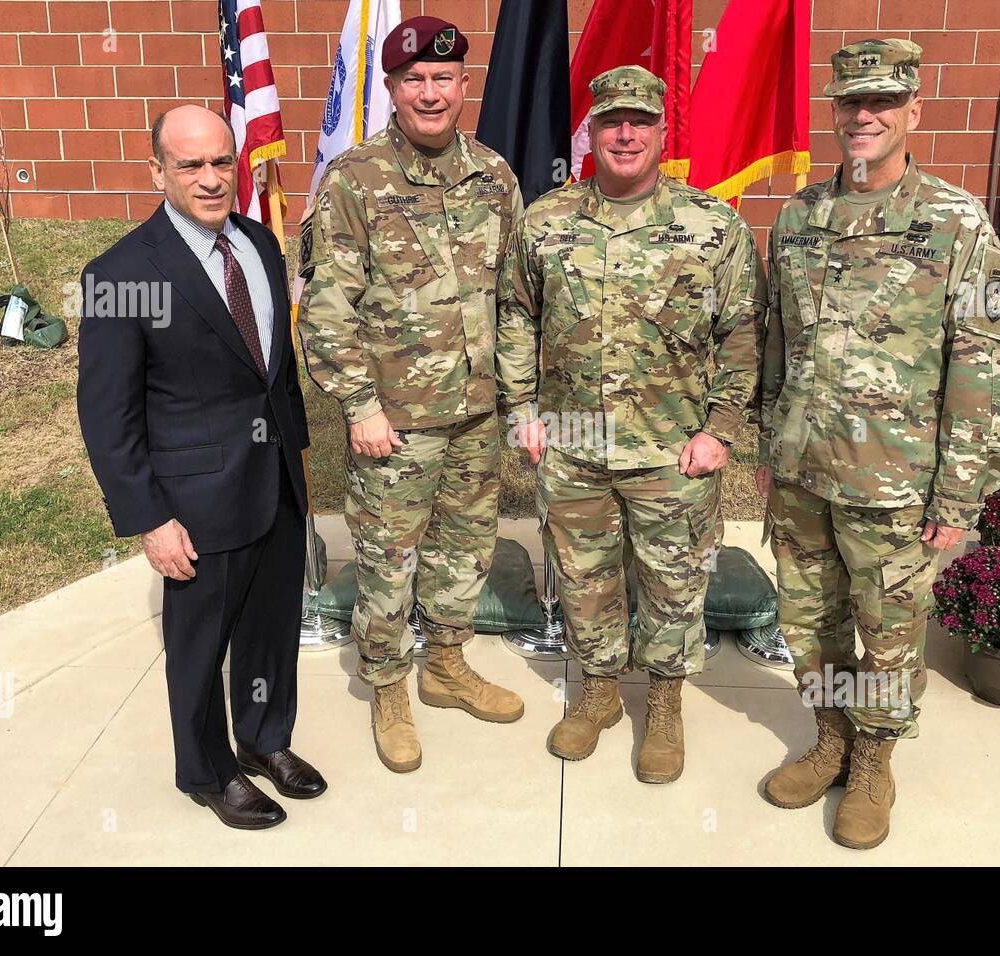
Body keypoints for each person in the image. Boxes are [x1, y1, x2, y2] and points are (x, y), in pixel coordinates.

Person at [756, 39, 1000, 848]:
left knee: (889, 631)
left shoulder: (953, 221)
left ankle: (873, 758)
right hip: (804, 472)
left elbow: (987, 358)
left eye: (881, 103)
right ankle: (830, 737)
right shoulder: (799, 217)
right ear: (834, 111)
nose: (863, 117)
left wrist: (961, 493)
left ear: (913, 112)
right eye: (850, 102)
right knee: (811, 621)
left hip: (895, 483)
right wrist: (772, 451)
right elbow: (778, 344)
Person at [497, 66, 764, 784]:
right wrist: (521, 411)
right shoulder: (547, 221)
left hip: (672, 451)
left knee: (674, 585)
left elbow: (743, 332)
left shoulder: (712, 226)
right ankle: (601, 694)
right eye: (612, 120)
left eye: (639, 122)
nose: (624, 134)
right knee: (586, 582)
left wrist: (722, 429)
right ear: (591, 129)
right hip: (574, 449)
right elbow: (517, 315)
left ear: (660, 131)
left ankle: (667, 707)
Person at [77, 104, 324, 831]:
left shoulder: (256, 244)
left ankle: (264, 739)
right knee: (199, 646)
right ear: (158, 171)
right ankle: (209, 772)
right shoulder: (122, 273)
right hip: (195, 498)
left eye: (222, 161)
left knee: (272, 627)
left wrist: (298, 459)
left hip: (274, 480)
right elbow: (107, 413)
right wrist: (148, 517)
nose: (211, 178)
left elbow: (273, 376)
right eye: (191, 165)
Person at [297, 17, 526, 774]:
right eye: (414, 80)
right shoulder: (355, 179)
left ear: (464, 85)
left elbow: (518, 297)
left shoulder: (495, 176)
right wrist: (359, 406)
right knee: (388, 560)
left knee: (465, 551)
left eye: (444, 78)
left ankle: (448, 664)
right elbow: (327, 304)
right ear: (393, 89)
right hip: (394, 423)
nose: (431, 92)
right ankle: (388, 685)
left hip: (477, 415)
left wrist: (518, 400)